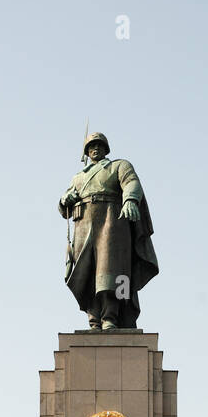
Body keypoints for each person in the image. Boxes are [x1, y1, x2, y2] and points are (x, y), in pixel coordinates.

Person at [58, 133, 159, 330]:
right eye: (91, 146)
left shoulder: (118, 166)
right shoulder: (79, 177)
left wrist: (130, 199)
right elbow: (63, 208)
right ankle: (93, 320)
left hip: (110, 222)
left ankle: (110, 317)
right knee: (86, 274)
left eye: (99, 145)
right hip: (83, 225)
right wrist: (64, 200)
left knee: (110, 273)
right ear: (86, 152)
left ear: (106, 148)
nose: (95, 149)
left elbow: (131, 182)